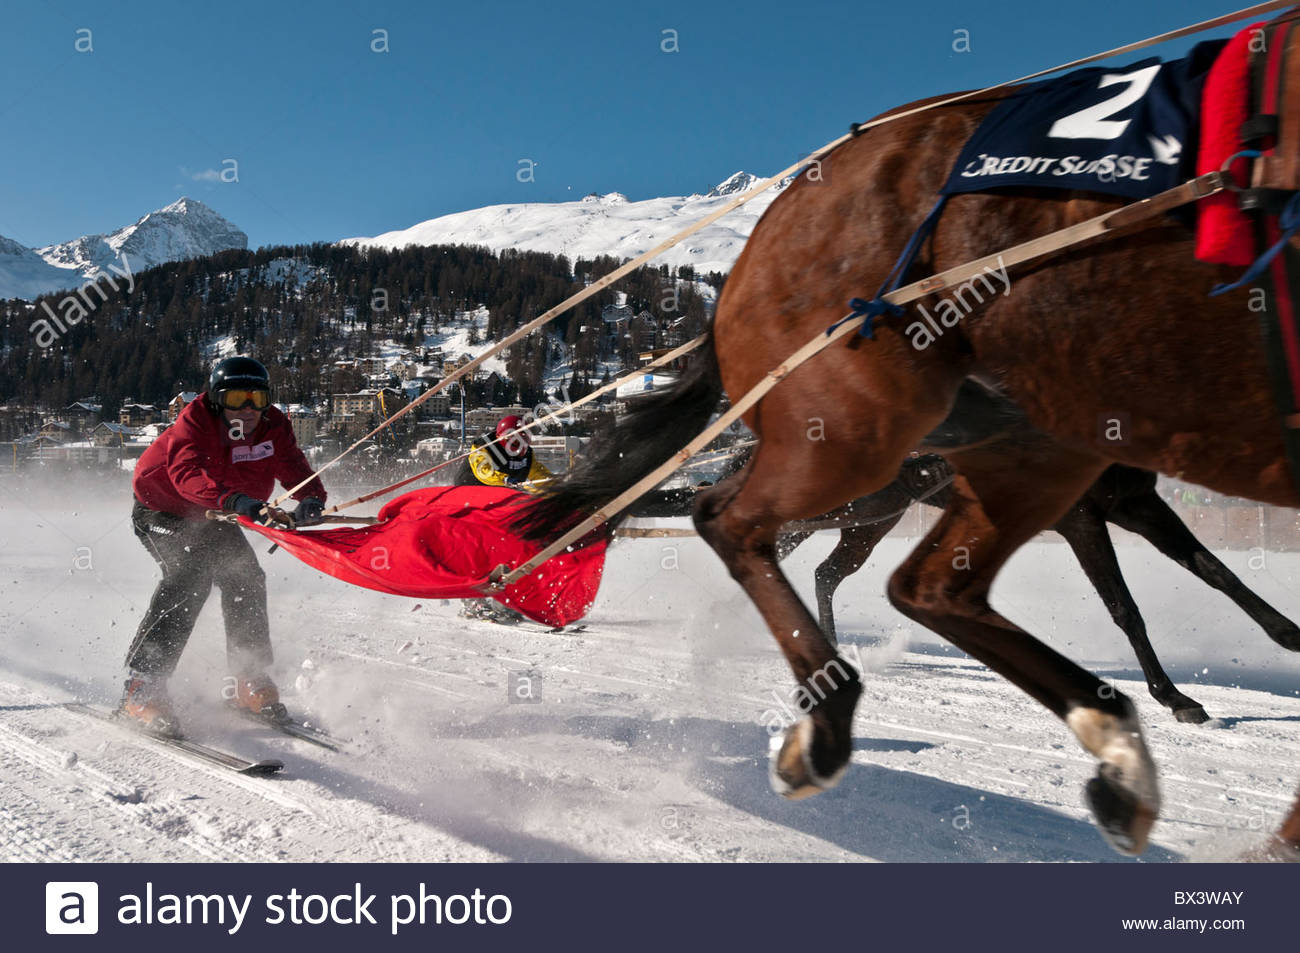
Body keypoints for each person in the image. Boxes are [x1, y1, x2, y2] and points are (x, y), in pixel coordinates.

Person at [122, 356, 327, 735]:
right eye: (236, 399)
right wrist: (236, 502)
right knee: (189, 577)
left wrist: (311, 497)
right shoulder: (196, 420)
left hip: (216, 514)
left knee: (245, 576)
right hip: (162, 511)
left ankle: (247, 680)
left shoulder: (272, 425)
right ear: (217, 399)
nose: (248, 409)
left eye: (257, 398)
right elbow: (187, 474)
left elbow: (293, 466)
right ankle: (142, 686)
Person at [453, 414, 552, 623]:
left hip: (499, 507)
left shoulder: (527, 456)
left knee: (511, 549)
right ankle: (474, 600)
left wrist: (560, 487)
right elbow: (484, 472)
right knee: (479, 552)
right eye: (517, 441)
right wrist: (505, 479)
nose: (521, 446)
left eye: (525, 441)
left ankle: (506, 597)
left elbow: (540, 475)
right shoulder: (484, 447)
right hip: (470, 503)